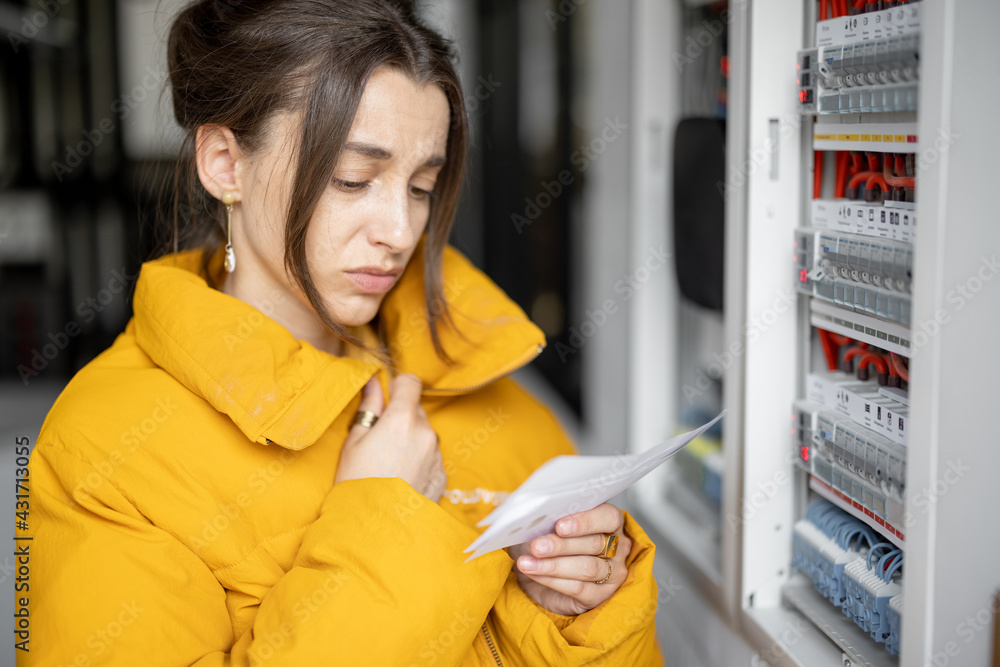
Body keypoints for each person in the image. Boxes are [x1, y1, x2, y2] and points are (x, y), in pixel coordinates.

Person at [23, 1, 663, 664]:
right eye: (353, 179)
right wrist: (381, 521)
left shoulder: (486, 383)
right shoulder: (104, 451)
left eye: (422, 186)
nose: (399, 230)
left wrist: (575, 615)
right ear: (224, 163)